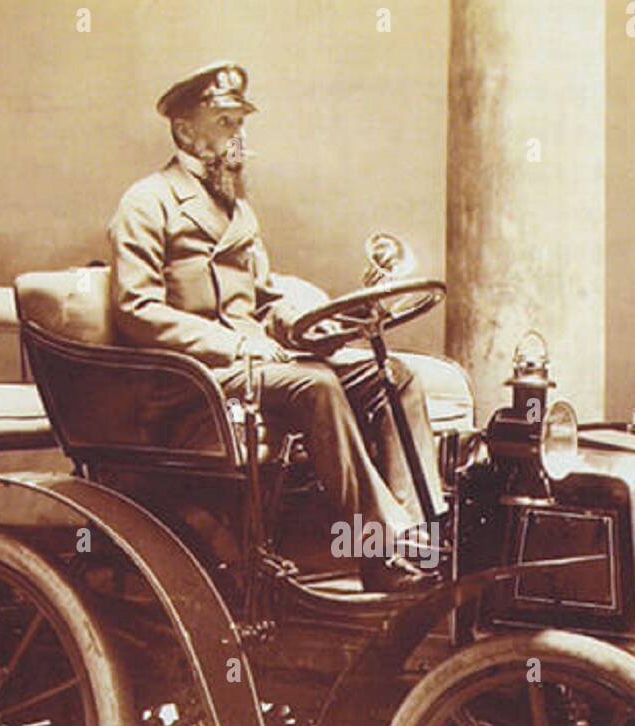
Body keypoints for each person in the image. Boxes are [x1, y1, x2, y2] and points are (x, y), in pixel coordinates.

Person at [108, 61, 471, 591]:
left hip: (253, 365)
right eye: (228, 122)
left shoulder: (238, 210)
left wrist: (340, 320)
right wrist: (234, 345)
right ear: (186, 130)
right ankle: (377, 544)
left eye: (242, 123)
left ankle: (420, 532)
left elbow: (265, 300)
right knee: (316, 386)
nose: (241, 135)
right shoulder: (147, 201)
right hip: (190, 381)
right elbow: (136, 311)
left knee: (393, 376)